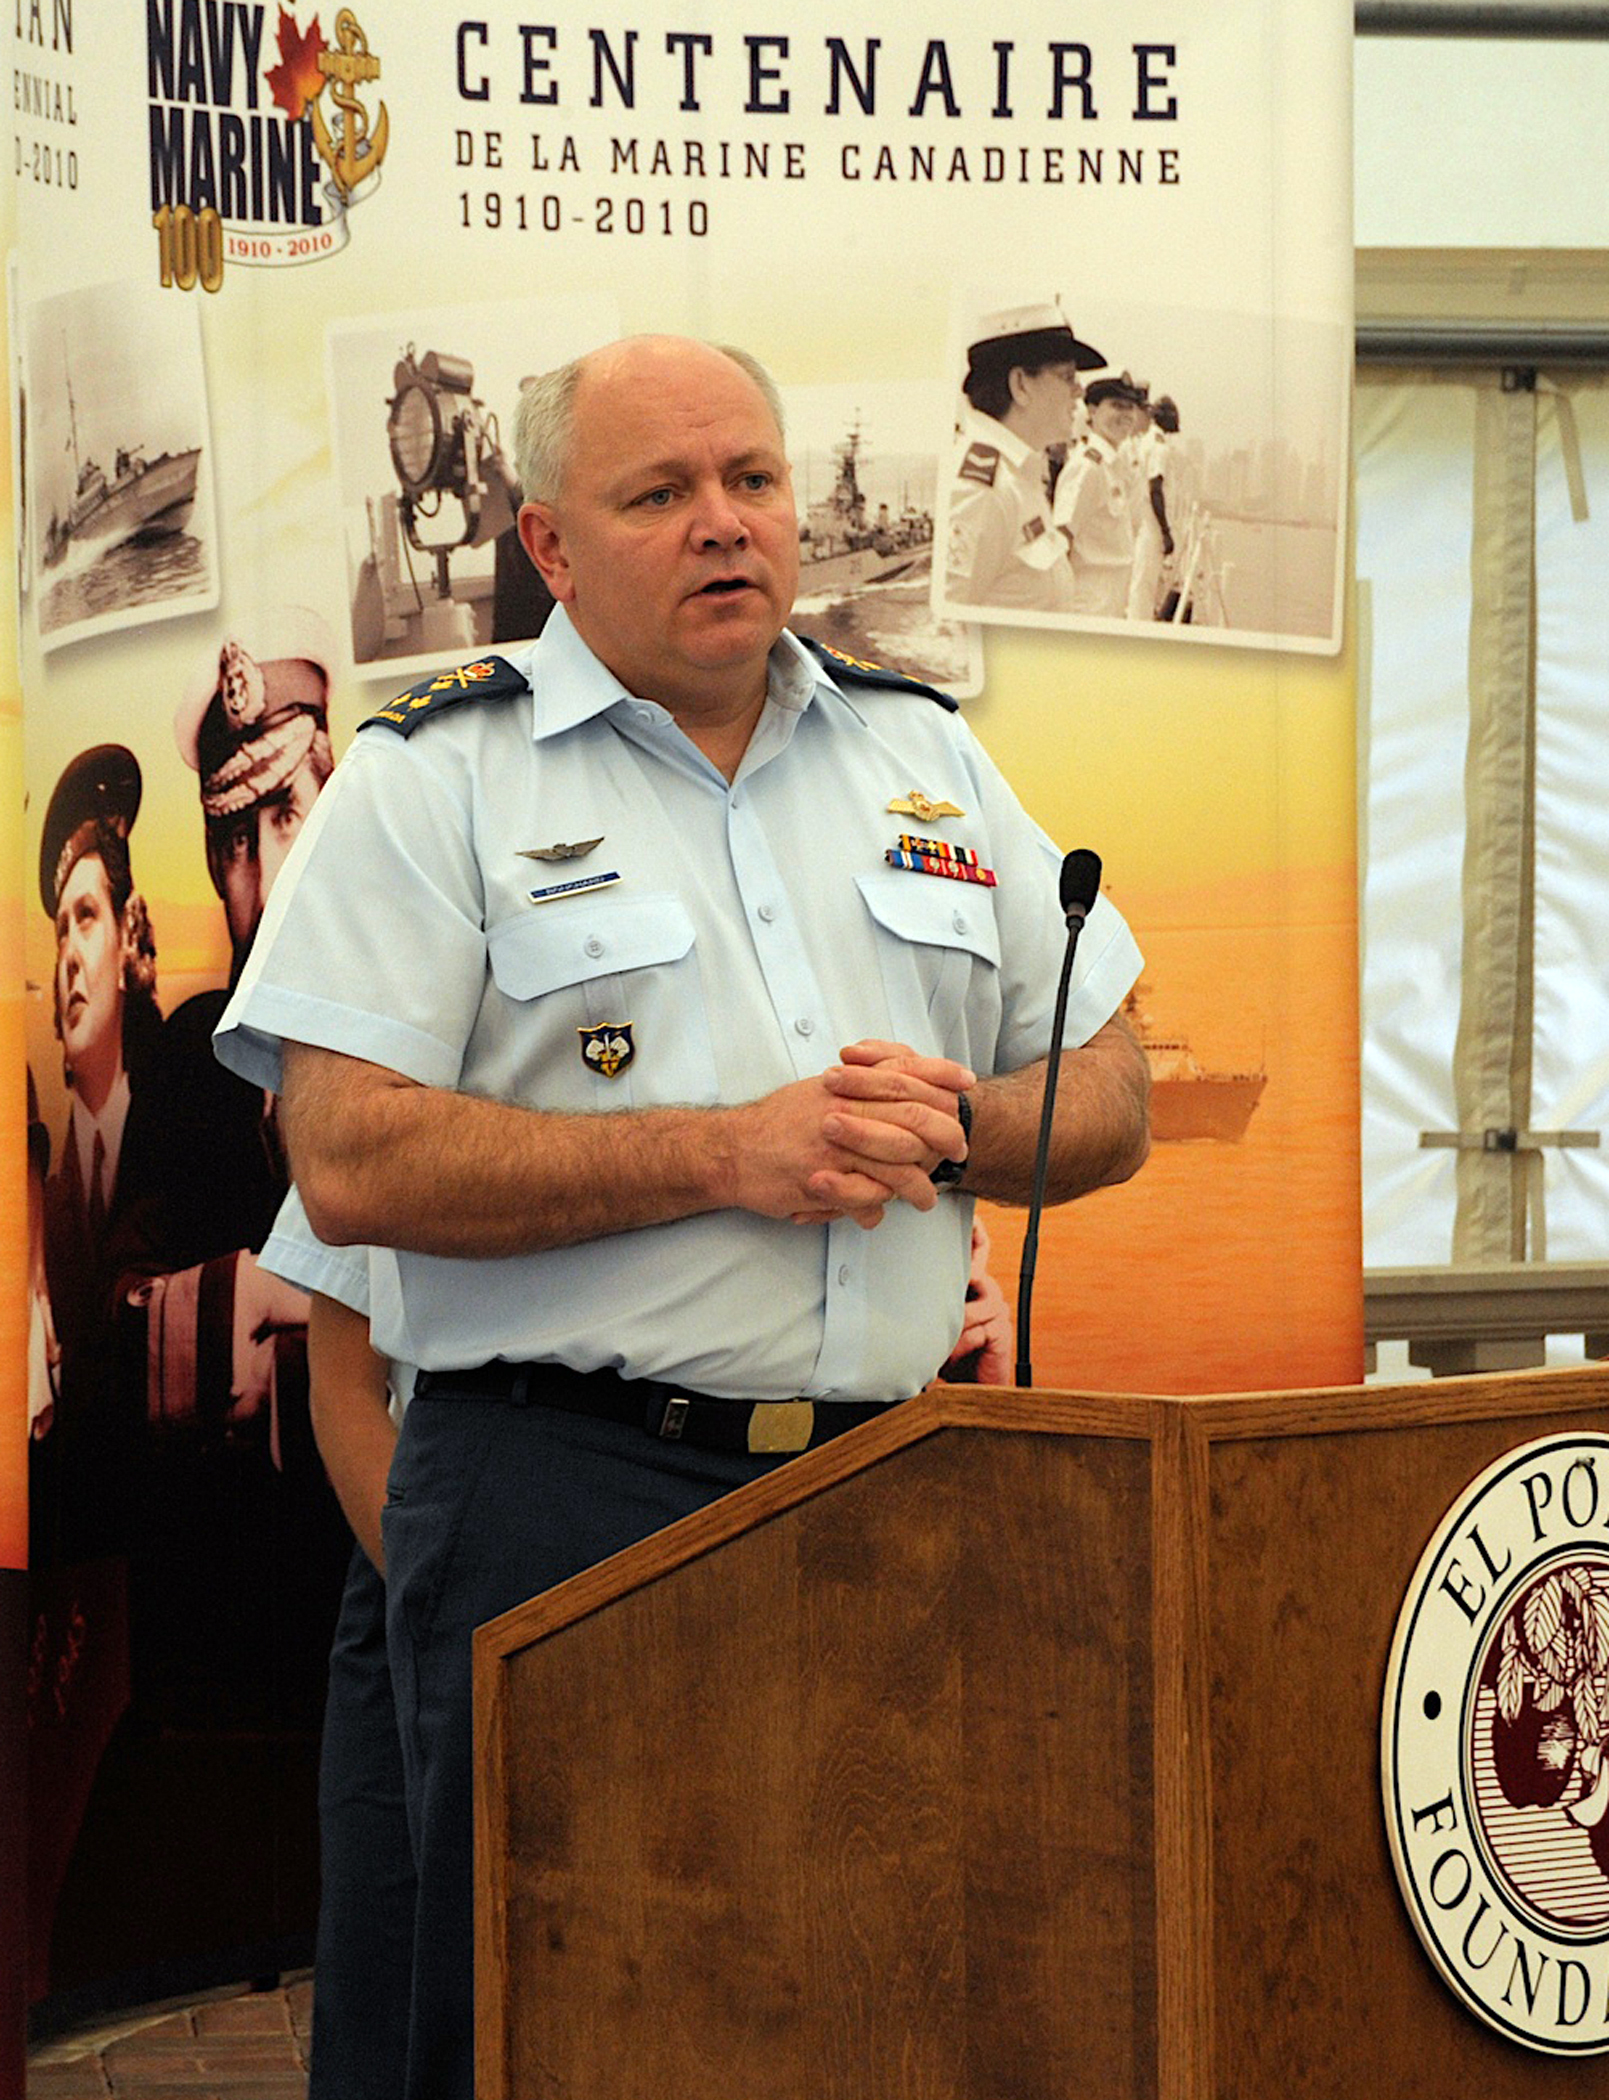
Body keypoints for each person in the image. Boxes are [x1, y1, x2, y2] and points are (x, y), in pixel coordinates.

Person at [216, 332, 1150, 2099]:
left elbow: (1110, 1095)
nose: (723, 526)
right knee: (547, 2031)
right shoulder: (437, 780)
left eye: (751, 481)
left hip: (895, 1488)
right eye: (660, 495)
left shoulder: (919, 757)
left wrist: (955, 1125)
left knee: (875, 2010)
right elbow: (347, 1160)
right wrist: (724, 1154)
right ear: (552, 544)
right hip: (569, 1497)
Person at [944, 303, 1105, 615]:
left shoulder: (1021, 476)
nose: (1080, 391)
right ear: (1020, 385)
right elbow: (947, 629)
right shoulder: (982, 491)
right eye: (1068, 376)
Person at [1053, 371, 1146, 618]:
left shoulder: (1113, 466)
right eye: (1116, 405)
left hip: (1111, 604)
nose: (1126, 414)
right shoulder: (1087, 467)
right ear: (1092, 411)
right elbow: (1061, 540)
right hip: (1087, 605)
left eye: (1130, 407)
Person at [1127, 394, 1178, 622]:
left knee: (1140, 581)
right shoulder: (1159, 448)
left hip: (1142, 522)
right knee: (1144, 585)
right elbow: (1155, 488)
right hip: (1151, 526)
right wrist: (1166, 532)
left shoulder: (1147, 441)